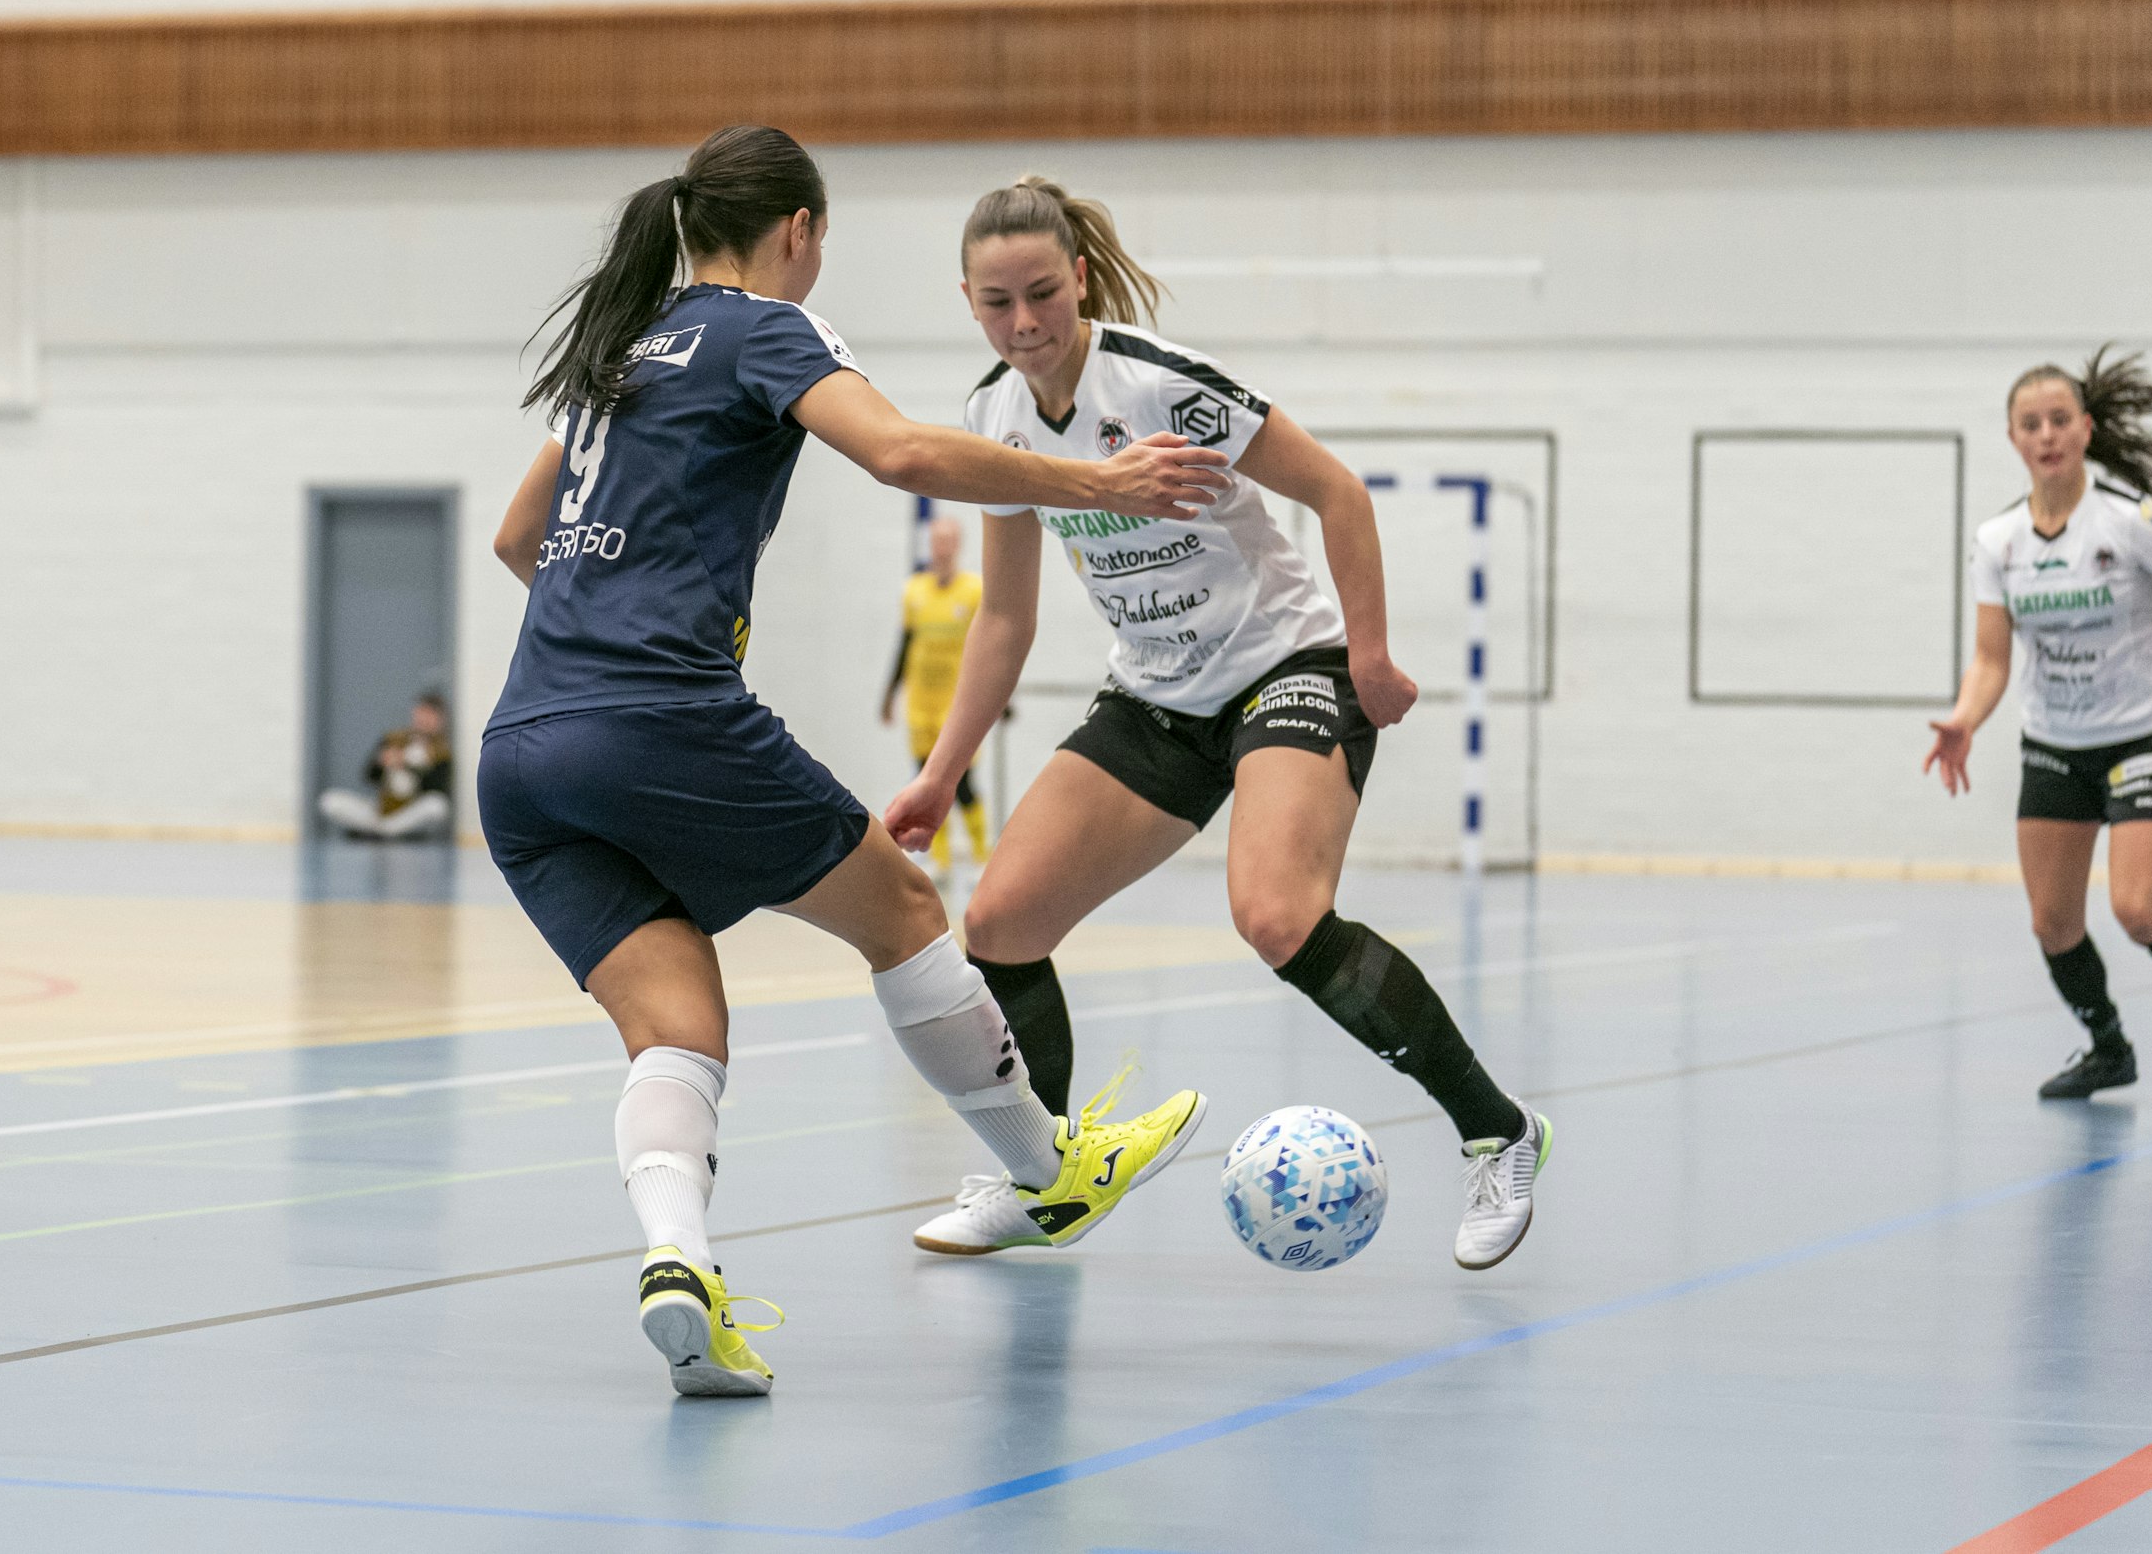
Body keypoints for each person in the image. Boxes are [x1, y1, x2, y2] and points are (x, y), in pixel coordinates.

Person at [478, 128, 1231, 1399]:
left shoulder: (617, 348)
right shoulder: (765, 329)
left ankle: (680, 1270)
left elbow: (517, 540)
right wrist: (1095, 479)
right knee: (906, 913)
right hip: (661, 716)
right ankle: (1050, 1175)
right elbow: (901, 454)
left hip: (524, 749)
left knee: (678, 1032)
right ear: (803, 231)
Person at [886, 176, 1553, 1271]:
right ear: (968, 301)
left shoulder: (1154, 385)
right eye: (997, 303)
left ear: (1082, 278)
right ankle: (1047, 1177)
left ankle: (1498, 1129)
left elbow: (1339, 491)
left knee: (1277, 916)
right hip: (1156, 694)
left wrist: (1372, 656)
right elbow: (1006, 615)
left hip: (1286, 668)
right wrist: (938, 771)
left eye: (1043, 294)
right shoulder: (994, 416)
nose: (1025, 324)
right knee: (1000, 923)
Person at [1926, 345, 2152, 1100]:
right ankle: (2108, 1047)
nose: (2047, 435)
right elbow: (1991, 659)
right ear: (2013, 439)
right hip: (2057, 746)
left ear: (2085, 430)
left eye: (2060, 420)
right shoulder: (1997, 543)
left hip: (2145, 733)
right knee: (2052, 924)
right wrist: (1965, 718)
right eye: (2031, 423)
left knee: (2136, 910)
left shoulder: (2132, 518)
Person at [881, 514, 990, 875]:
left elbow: (991, 649)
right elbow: (905, 642)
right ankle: (939, 859)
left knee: (962, 784)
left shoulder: (973, 591)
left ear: (957, 545)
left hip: (957, 705)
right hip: (921, 705)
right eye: (935, 541)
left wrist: (997, 700)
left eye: (947, 541)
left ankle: (980, 855)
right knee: (923, 780)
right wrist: (889, 695)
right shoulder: (914, 591)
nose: (940, 548)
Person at [317, 693, 453, 838]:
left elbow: (437, 789)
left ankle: (381, 831)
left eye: (430, 715)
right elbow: (369, 776)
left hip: (410, 811)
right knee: (329, 801)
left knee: (438, 806)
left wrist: (406, 766)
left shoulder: (442, 752)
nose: (424, 719)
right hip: (381, 809)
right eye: (422, 713)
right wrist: (381, 763)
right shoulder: (393, 739)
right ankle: (385, 831)